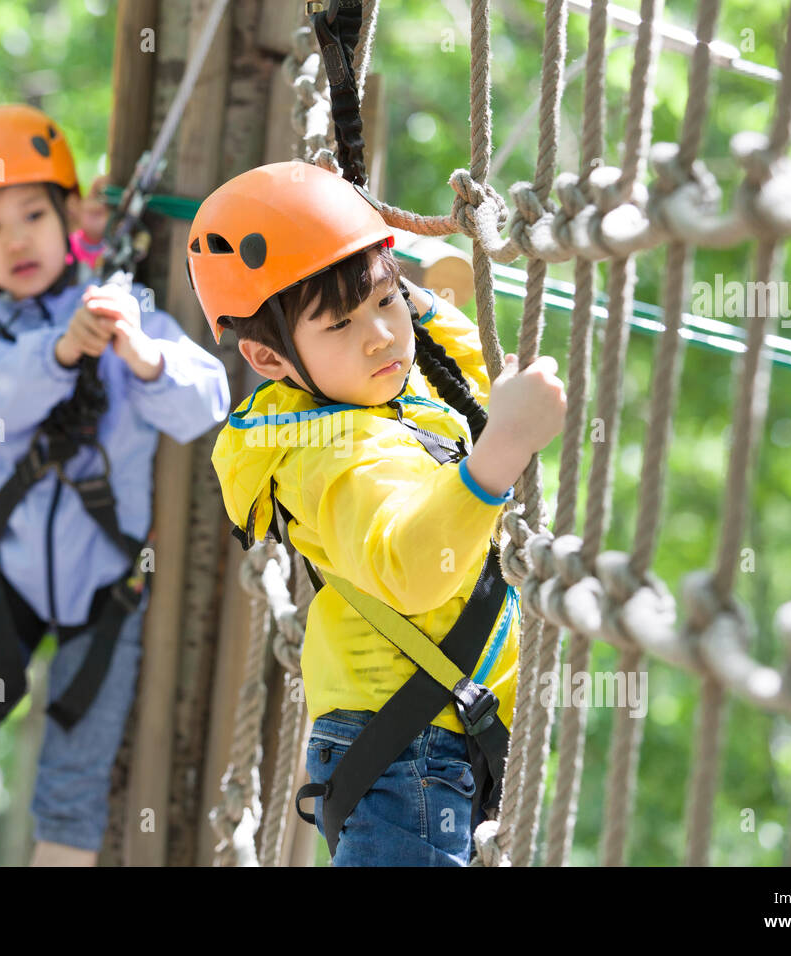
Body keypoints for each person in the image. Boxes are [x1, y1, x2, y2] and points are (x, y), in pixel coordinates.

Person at [0, 105, 230, 866]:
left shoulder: (124, 304)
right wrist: (65, 349)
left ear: (70, 214)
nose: (16, 239)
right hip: (8, 582)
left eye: (32, 213)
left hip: (110, 593)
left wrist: (140, 355)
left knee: (71, 791)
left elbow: (205, 405)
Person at [195, 161, 567, 866]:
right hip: (409, 754)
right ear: (268, 357)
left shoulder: (375, 391)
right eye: (339, 323)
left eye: (386, 303)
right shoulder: (325, 453)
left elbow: (466, 387)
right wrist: (503, 450)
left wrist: (415, 305)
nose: (380, 338)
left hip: (446, 739)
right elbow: (413, 567)